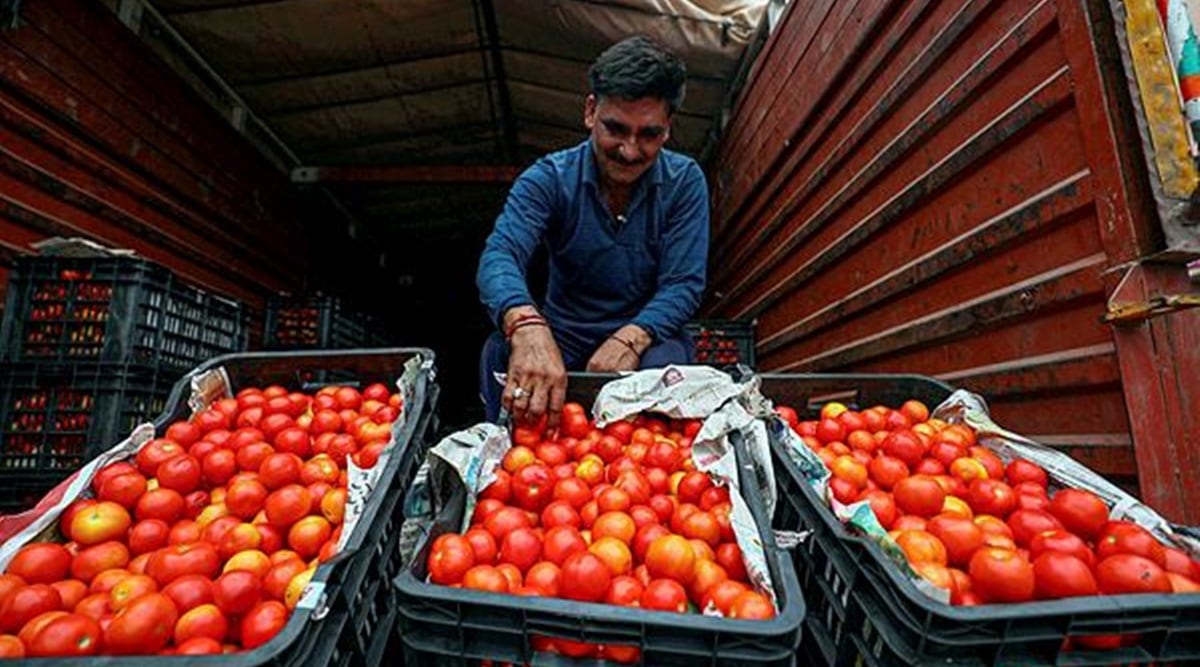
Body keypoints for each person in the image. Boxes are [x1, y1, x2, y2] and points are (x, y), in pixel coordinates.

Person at [476, 35, 710, 429]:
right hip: (562, 334)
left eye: (649, 134)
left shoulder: (685, 182)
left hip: (645, 334)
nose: (630, 150)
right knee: (500, 352)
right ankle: (502, 466)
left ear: (668, 129)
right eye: (616, 129)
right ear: (590, 112)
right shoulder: (547, 179)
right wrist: (527, 326)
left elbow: (683, 283)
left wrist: (630, 339)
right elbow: (501, 255)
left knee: (666, 367)